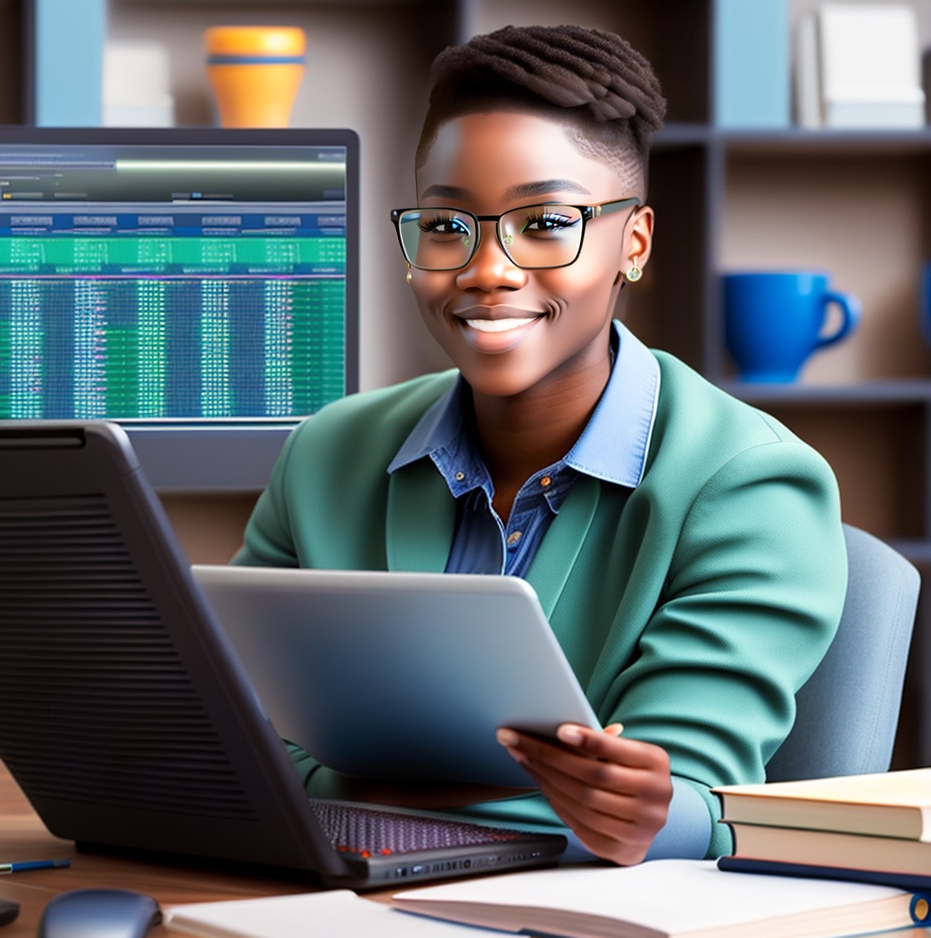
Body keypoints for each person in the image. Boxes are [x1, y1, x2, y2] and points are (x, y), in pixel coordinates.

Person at [232, 24, 848, 864]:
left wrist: (355, 792)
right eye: (449, 223)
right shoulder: (329, 453)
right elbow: (227, 734)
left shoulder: (752, 486)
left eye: (546, 222)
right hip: (334, 914)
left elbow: (670, 809)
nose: (487, 268)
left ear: (633, 244)